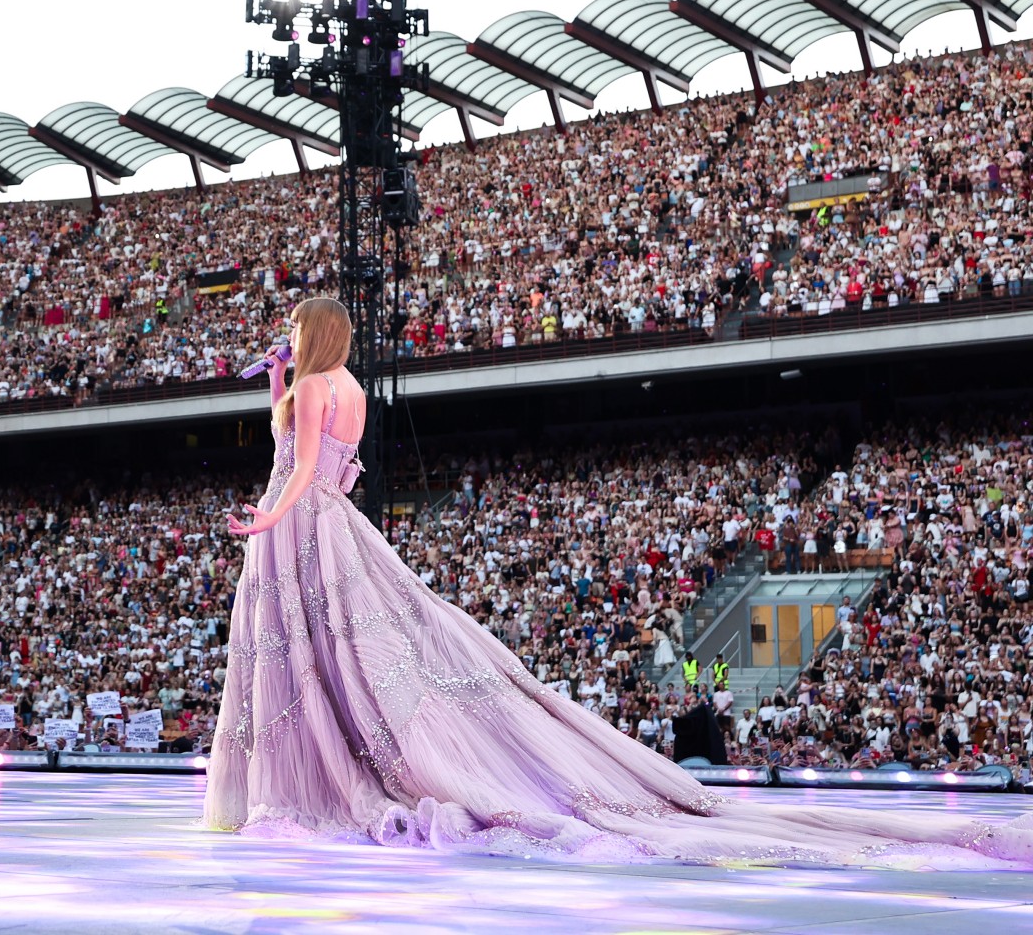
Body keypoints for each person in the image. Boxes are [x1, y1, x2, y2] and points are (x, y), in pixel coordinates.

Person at [202, 295, 1033, 867]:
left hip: (302, 526)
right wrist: (278, 393)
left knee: (312, 662)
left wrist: (261, 521)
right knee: (350, 656)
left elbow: (305, 470)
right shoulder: (343, 387)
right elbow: (333, 466)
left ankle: (319, 783)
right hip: (337, 528)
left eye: (291, 329)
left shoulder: (313, 386)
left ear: (311, 333)